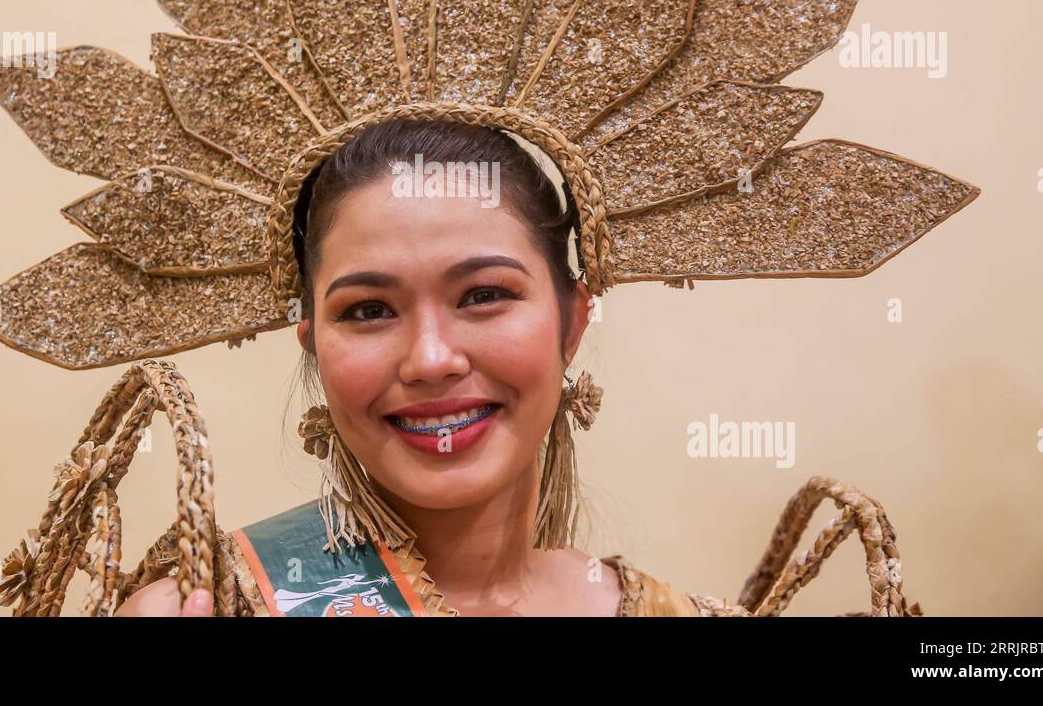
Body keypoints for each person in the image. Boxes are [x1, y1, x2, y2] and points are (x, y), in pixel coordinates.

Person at [115, 119, 698, 617]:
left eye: (483, 295)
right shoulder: (219, 603)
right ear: (313, 345)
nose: (430, 360)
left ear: (573, 322)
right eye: (369, 310)